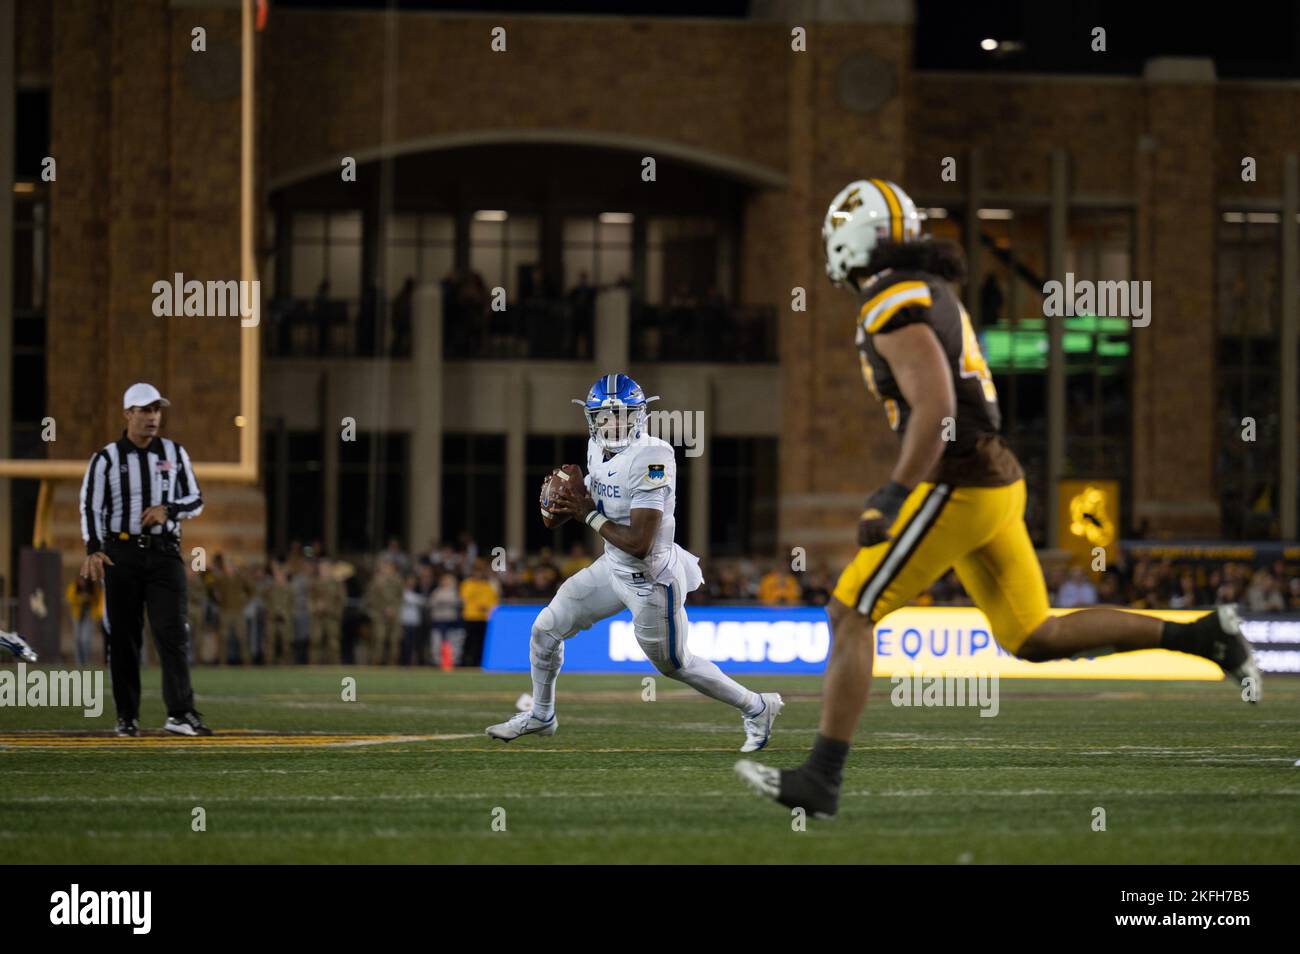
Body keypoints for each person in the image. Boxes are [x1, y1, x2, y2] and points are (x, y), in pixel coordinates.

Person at [735, 179, 1261, 818]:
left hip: (960, 482)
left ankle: (821, 778)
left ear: (856, 238)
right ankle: (1204, 636)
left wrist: (896, 492)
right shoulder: (928, 290)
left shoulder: (890, 298)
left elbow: (936, 406)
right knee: (1033, 635)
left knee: (850, 612)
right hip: (996, 480)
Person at [485, 373, 783, 751]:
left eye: (624, 415)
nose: (614, 424)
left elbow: (640, 543)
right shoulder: (595, 450)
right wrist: (564, 502)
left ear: (640, 416)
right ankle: (542, 715)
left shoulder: (653, 457)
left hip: (650, 579)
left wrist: (585, 513)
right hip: (612, 567)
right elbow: (600, 495)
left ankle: (757, 707)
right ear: (591, 420)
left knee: (675, 665)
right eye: (605, 417)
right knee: (545, 629)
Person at [78, 382, 212, 737]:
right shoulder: (106, 458)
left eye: (156, 410)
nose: (153, 417)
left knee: (172, 632)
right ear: (128, 414)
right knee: (123, 637)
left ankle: (180, 713)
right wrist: (94, 548)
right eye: (145, 410)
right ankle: (127, 716)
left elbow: (196, 499)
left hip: (165, 553)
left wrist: (167, 510)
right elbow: (91, 505)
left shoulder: (174, 452)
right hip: (121, 554)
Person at [458, 559, 498, 668]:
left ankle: (478, 663)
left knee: (480, 642)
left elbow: (493, 601)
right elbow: (465, 597)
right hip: (470, 616)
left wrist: (484, 606)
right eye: (476, 571)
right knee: (468, 642)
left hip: (483, 618)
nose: (478, 574)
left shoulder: (487, 585)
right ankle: (464, 663)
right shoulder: (468, 584)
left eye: (480, 571)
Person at [365, 557, 404, 665]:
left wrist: (393, 609)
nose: (387, 569)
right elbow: (371, 598)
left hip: (394, 614)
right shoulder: (376, 581)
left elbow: (400, 597)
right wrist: (382, 609)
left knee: (394, 640)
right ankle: (376, 662)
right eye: (385, 567)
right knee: (379, 638)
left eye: (389, 567)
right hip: (379, 614)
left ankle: (393, 663)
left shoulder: (398, 580)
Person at [65, 575, 102, 667]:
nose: (83, 583)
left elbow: (99, 601)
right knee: (77, 639)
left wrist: (89, 599)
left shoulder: (93, 588)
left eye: (84, 581)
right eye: (81, 580)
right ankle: (79, 663)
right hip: (77, 615)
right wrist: (80, 599)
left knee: (85, 639)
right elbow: (69, 598)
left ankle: (86, 662)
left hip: (89, 615)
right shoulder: (74, 587)